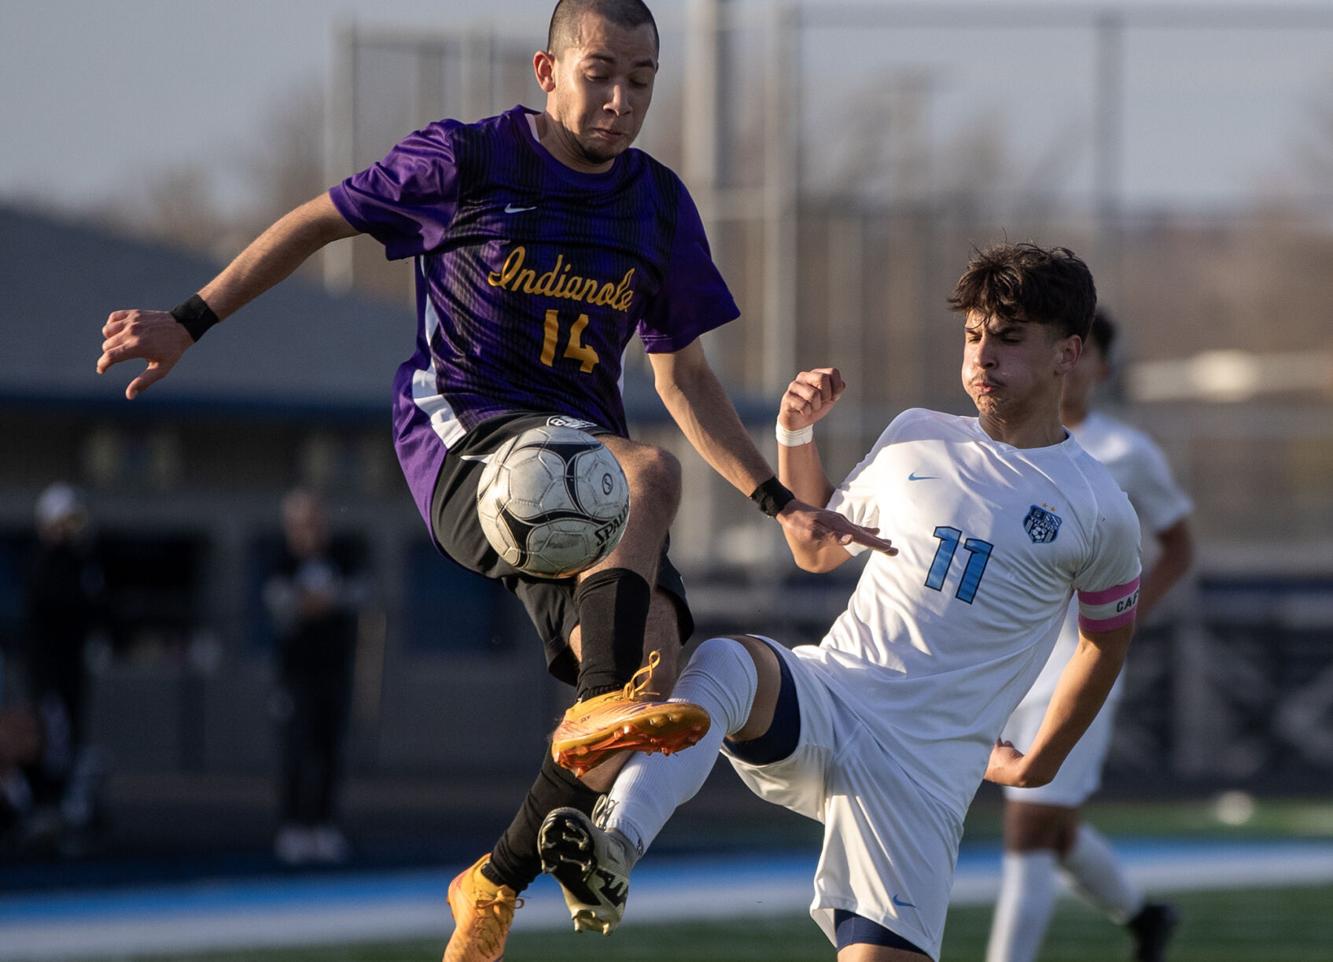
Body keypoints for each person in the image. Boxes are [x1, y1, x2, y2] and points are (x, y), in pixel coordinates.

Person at [95, 1, 887, 958]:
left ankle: (494, 879)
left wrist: (777, 501)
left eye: (642, 78)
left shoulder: (657, 204)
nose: (621, 97)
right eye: (601, 72)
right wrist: (191, 317)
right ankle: (596, 705)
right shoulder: (465, 161)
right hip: (462, 435)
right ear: (547, 69)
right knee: (649, 478)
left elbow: (682, 374)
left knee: (658, 675)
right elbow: (315, 222)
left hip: (575, 479)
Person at [536, 242, 1144, 962]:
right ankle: (615, 845)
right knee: (729, 662)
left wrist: (1040, 762)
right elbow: (816, 548)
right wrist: (795, 433)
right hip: (831, 697)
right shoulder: (917, 434)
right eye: (973, 337)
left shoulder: (1097, 506)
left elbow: (1105, 640)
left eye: (1008, 340)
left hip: (920, 773)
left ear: (1067, 353)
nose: (982, 359)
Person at [984, 310, 1193, 962]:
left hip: (1073, 666)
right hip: (998, 657)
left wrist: (1120, 618)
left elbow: (1177, 547)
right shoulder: (995, 440)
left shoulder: (1125, 453)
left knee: (1028, 821)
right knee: (1055, 825)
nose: (1068, 365)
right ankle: (1143, 917)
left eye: (1083, 353)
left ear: (1097, 365)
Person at [265, 489, 367, 866]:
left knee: (329, 749)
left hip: (334, 670)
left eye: (314, 520)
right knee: (295, 748)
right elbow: (281, 602)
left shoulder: (341, 556)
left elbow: (355, 595)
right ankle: (292, 826)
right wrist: (316, 601)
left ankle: (324, 825)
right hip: (295, 674)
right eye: (301, 521)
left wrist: (319, 601)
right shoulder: (282, 561)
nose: (309, 528)